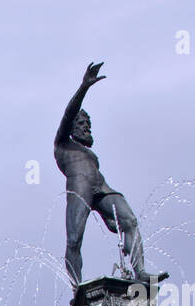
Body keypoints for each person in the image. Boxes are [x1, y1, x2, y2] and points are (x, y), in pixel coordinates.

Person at [55, 62, 149, 285]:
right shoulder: (62, 144)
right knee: (74, 240)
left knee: (130, 220)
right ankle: (76, 287)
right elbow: (69, 112)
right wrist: (84, 87)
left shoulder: (90, 154)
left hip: (102, 188)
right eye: (82, 123)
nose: (86, 127)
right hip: (80, 188)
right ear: (71, 127)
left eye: (88, 123)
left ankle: (140, 273)